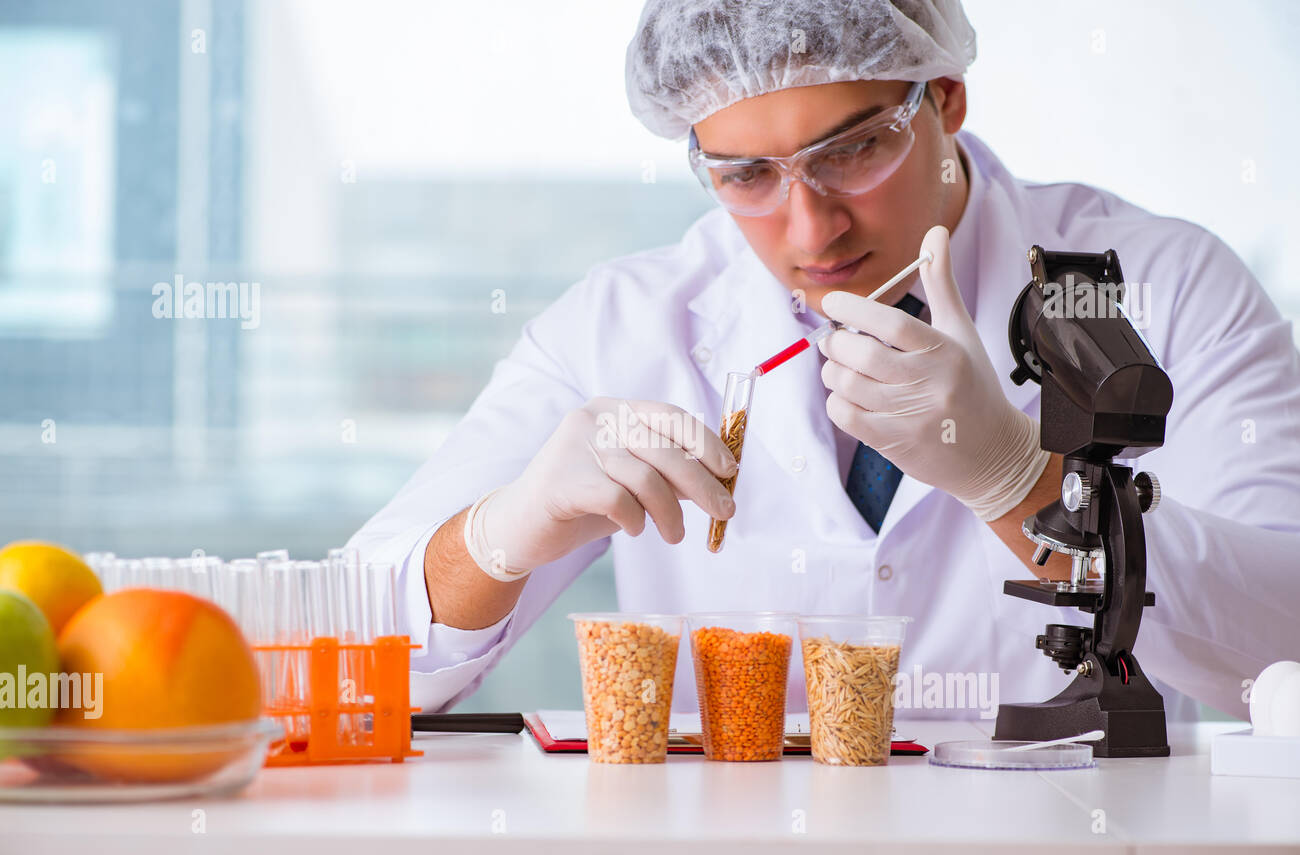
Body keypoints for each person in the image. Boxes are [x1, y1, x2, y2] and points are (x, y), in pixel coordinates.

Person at [349, 0, 1300, 721]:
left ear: (947, 99)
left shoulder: (1165, 287)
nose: (811, 227)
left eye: (852, 152)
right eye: (747, 175)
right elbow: (354, 658)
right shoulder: (621, 329)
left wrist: (1019, 482)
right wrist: (505, 531)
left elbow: (1282, 645)